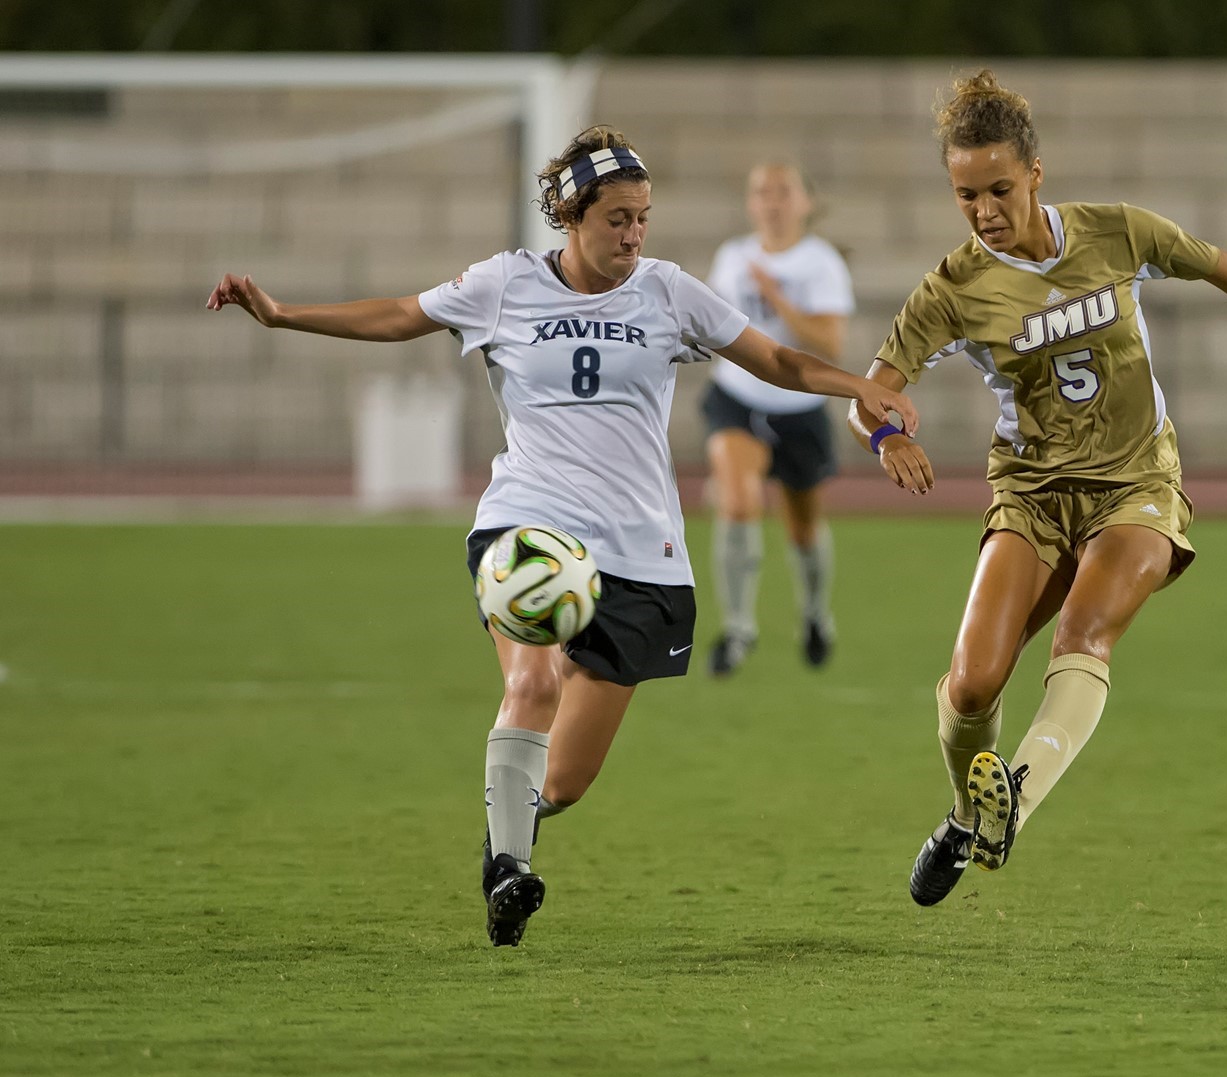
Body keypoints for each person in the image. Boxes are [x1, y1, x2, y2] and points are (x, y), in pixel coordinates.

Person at [205, 125, 917, 946]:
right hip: (528, 520)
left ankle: (506, 832)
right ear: (572, 216)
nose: (634, 234)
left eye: (643, 217)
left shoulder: (668, 291)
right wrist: (284, 313)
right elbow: (403, 313)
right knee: (535, 683)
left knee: (566, 779)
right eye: (617, 218)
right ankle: (510, 871)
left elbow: (775, 361)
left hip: (639, 551)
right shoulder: (503, 285)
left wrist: (858, 385)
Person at [845, 70, 1227, 907]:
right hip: (1031, 492)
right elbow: (871, 390)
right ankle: (966, 814)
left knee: (1084, 637)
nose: (984, 209)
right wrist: (887, 433)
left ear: (1035, 173)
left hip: (1136, 480)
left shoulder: (1116, 232)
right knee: (974, 682)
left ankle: (1011, 801)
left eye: (998, 188)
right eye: (965, 195)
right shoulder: (951, 289)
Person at [701, 162, 855, 676]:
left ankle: (815, 616)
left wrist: (776, 299)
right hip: (738, 397)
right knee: (739, 502)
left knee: (803, 526)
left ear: (805, 202)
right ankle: (738, 629)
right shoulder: (731, 257)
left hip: (799, 405)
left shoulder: (821, 262)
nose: (771, 201)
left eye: (783, 192)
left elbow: (830, 342)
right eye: (761, 191)